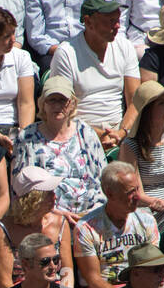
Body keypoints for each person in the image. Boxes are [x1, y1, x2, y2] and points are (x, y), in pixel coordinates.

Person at [50, 0, 140, 149]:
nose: (118, 25)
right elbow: (62, 107)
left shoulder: (125, 47)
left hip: (121, 132)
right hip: (79, 134)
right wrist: (98, 134)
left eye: (118, 19)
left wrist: (121, 133)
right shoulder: (66, 53)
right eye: (111, 21)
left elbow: (136, 100)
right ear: (88, 22)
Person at [11, 76, 107, 219]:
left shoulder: (86, 133)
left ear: (72, 103)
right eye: (52, 100)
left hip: (91, 215)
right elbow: (22, 189)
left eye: (63, 100)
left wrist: (92, 212)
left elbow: (103, 179)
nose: (57, 106)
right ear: (42, 104)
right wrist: (57, 214)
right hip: (46, 217)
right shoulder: (27, 137)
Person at [74, 163, 159, 288]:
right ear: (110, 193)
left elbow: (154, 266)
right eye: (130, 192)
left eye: (138, 189)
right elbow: (93, 279)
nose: (138, 197)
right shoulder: (87, 228)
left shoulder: (146, 221)